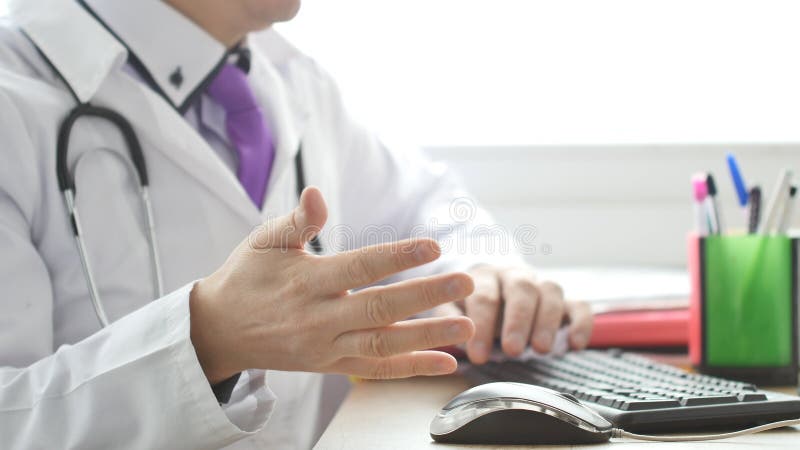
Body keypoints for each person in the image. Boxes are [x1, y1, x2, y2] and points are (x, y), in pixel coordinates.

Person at [0, 0, 593, 448]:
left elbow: (425, 205)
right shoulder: (14, 92)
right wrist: (203, 340)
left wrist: (485, 276)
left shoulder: (288, 77)